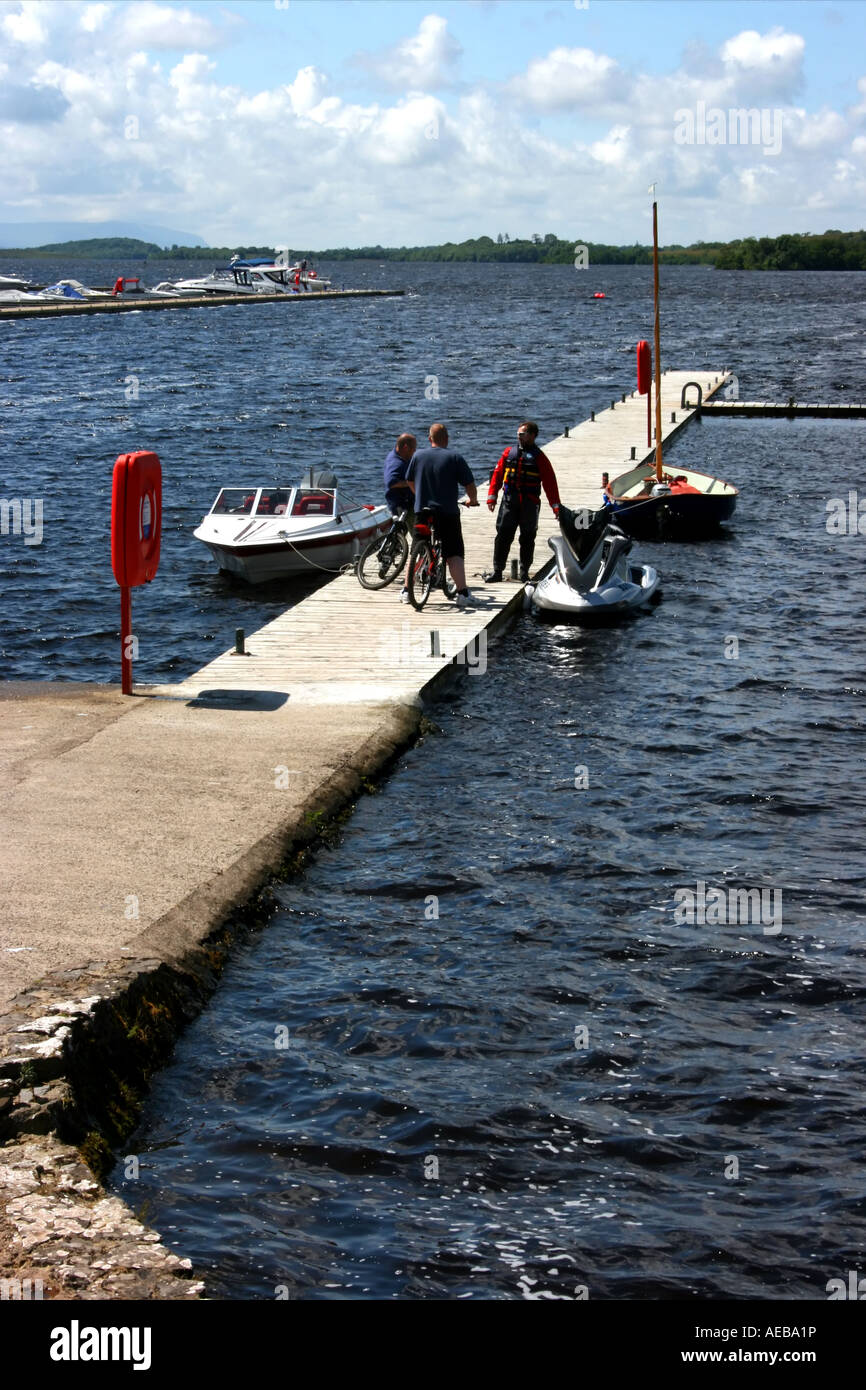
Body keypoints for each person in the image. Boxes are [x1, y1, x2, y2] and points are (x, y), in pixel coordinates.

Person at [406, 423, 479, 608]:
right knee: (454, 552)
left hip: (422, 510)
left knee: (417, 548)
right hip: (447, 513)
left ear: (429, 439)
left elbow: (409, 480)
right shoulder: (454, 457)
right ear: (447, 438)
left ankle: (407, 591)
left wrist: (419, 496)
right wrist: (472, 499)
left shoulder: (418, 455)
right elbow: (469, 484)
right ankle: (462, 594)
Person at [484, 421, 560, 582]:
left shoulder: (540, 458)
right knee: (503, 535)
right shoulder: (508, 453)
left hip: (529, 504)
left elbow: (550, 483)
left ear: (532, 435)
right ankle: (497, 571)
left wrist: (556, 507)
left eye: (523, 433)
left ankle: (524, 572)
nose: (519, 436)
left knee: (527, 537)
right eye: (518, 433)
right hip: (509, 502)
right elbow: (498, 475)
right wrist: (492, 496)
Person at [383, 433, 417, 603]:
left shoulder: (400, 457)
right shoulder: (396, 462)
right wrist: (412, 484)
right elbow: (391, 482)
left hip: (404, 501)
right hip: (399, 503)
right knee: (416, 535)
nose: (415, 451)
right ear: (405, 448)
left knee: (401, 533)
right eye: (414, 449)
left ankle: (393, 549)